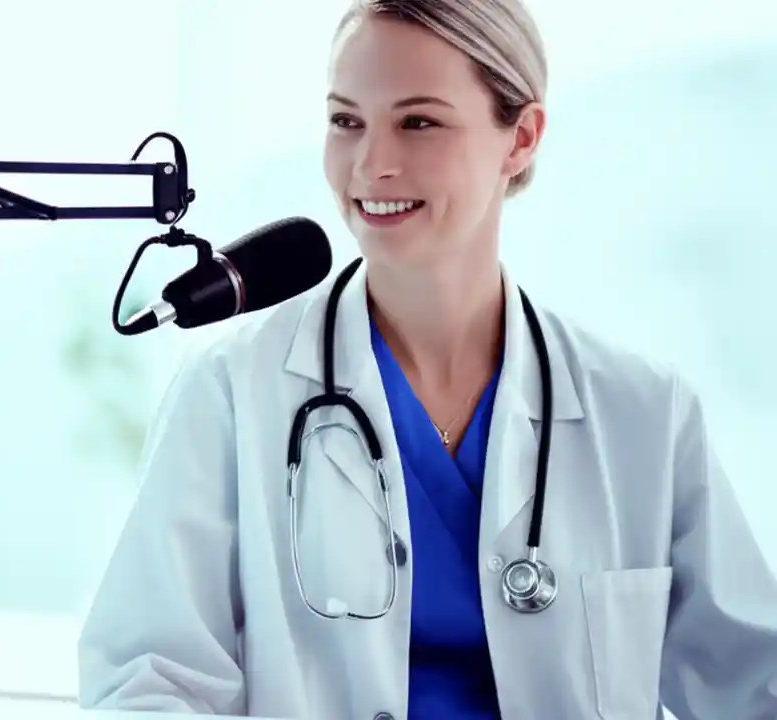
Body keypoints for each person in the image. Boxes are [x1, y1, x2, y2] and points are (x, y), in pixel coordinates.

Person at [75, 0, 777, 718]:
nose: (372, 163)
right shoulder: (232, 394)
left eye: (418, 121)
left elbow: (752, 686)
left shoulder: (643, 415)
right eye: (346, 121)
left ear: (521, 138)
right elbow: (148, 683)